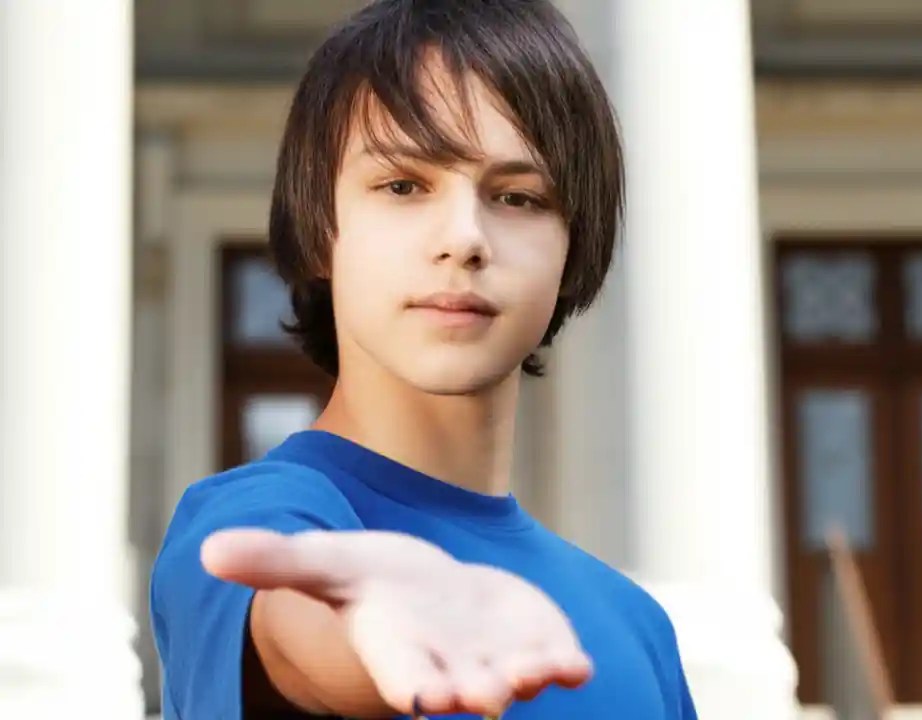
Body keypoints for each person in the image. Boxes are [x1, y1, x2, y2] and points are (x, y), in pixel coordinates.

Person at [149, 1, 697, 717]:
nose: (464, 237)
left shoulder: (635, 624)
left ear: (573, 248)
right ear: (321, 230)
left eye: (518, 197)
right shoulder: (251, 526)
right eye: (403, 185)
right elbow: (296, 630)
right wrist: (356, 626)